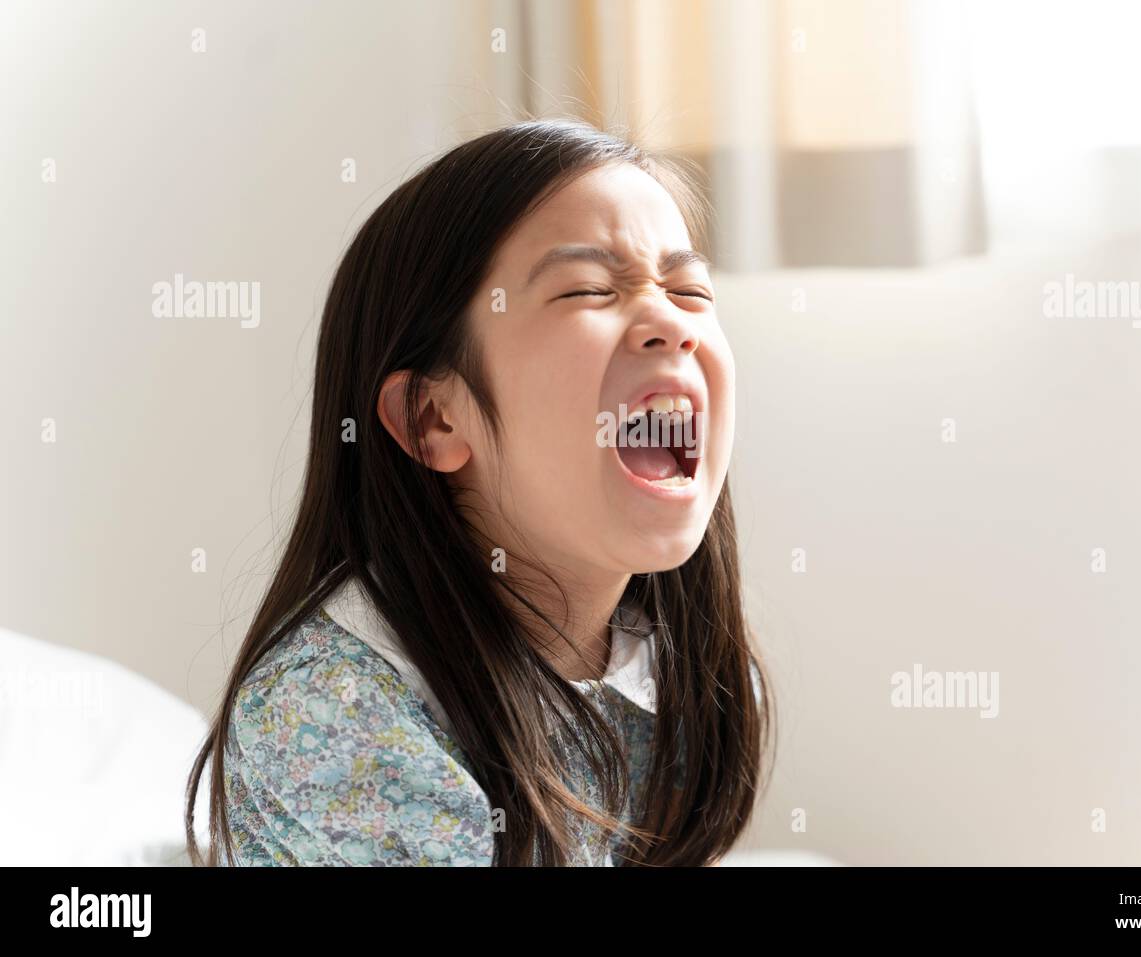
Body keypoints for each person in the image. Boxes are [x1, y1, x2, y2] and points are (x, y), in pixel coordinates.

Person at [184, 117, 773, 866]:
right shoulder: (338, 717)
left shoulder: (684, 675)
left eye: (690, 289)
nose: (670, 321)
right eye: (591, 288)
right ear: (434, 416)